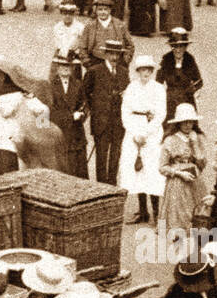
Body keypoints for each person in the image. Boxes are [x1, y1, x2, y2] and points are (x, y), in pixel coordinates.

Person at [120, 56, 167, 224]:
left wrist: (145, 134)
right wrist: (134, 134)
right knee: (136, 170)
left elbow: (161, 114)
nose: (145, 73)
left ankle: (156, 212)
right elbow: (125, 112)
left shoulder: (159, 89)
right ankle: (142, 211)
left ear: (152, 71)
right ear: (138, 71)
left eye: (148, 69)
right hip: (133, 130)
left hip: (151, 131)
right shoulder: (131, 87)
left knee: (152, 171)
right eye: (142, 69)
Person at [159, 104, 206, 244]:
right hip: (177, 182)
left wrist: (195, 144)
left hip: (195, 181)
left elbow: (203, 164)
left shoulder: (196, 138)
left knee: (198, 213)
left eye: (190, 121)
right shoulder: (170, 140)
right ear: (178, 123)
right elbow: (162, 167)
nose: (187, 125)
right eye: (184, 122)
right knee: (178, 217)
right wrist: (178, 173)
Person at [84, 39, 129, 184]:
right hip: (101, 123)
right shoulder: (94, 71)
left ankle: (112, 186)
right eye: (111, 54)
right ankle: (102, 188)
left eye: (117, 54)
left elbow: (128, 94)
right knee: (101, 157)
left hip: (118, 123)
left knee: (115, 157)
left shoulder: (123, 72)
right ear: (105, 54)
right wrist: (95, 108)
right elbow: (84, 93)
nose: (114, 58)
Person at [48, 54, 89, 178]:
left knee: (78, 171)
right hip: (58, 133)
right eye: (62, 65)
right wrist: (71, 117)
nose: (65, 68)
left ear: (72, 68)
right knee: (62, 170)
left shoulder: (78, 85)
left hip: (76, 135)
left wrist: (82, 114)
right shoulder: (50, 86)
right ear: (57, 67)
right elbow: (49, 112)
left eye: (68, 66)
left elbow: (85, 105)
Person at [157, 28, 203, 120]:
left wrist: (192, 90)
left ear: (185, 47)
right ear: (171, 47)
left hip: (187, 98)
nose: (178, 50)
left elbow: (199, 81)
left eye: (181, 46)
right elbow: (158, 82)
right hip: (170, 99)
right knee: (168, 125)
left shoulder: (190, 59)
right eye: (175, 46)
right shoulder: (166, 59)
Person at [78, 0, 135, 66]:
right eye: (100, 9)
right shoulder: (90, 26)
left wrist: (125, 61)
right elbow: (82, 46)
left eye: (105, 9)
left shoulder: (119, 25)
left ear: (110, 10)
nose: (103, 12)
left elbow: (130, 45)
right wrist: (86, 61)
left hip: (115, 61)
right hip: (95, 61)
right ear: (96, 11)